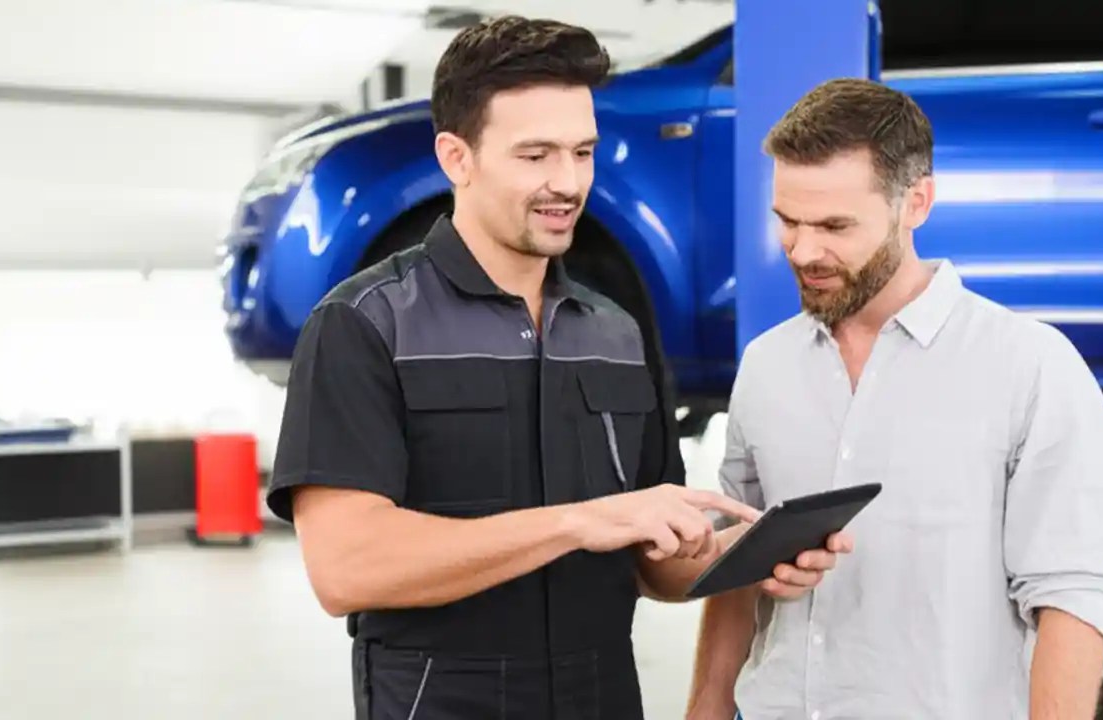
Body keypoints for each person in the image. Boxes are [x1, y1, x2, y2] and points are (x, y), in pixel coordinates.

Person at [265, 16, 841, 720]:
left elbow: (652, 564)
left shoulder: (617, 334)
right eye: (535, 155)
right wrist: (575, 523)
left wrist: (748, 553)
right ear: (457, 157)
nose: (567, 183)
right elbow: (346, 569)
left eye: (583, 152)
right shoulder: (363, 325)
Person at [686, 78, 1103, 720]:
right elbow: (733, 570)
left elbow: (1072, 595)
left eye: (836, 225)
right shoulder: (767, 364)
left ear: (915, 203)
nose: (804, 251)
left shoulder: (1029, 365)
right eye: (788, 221)